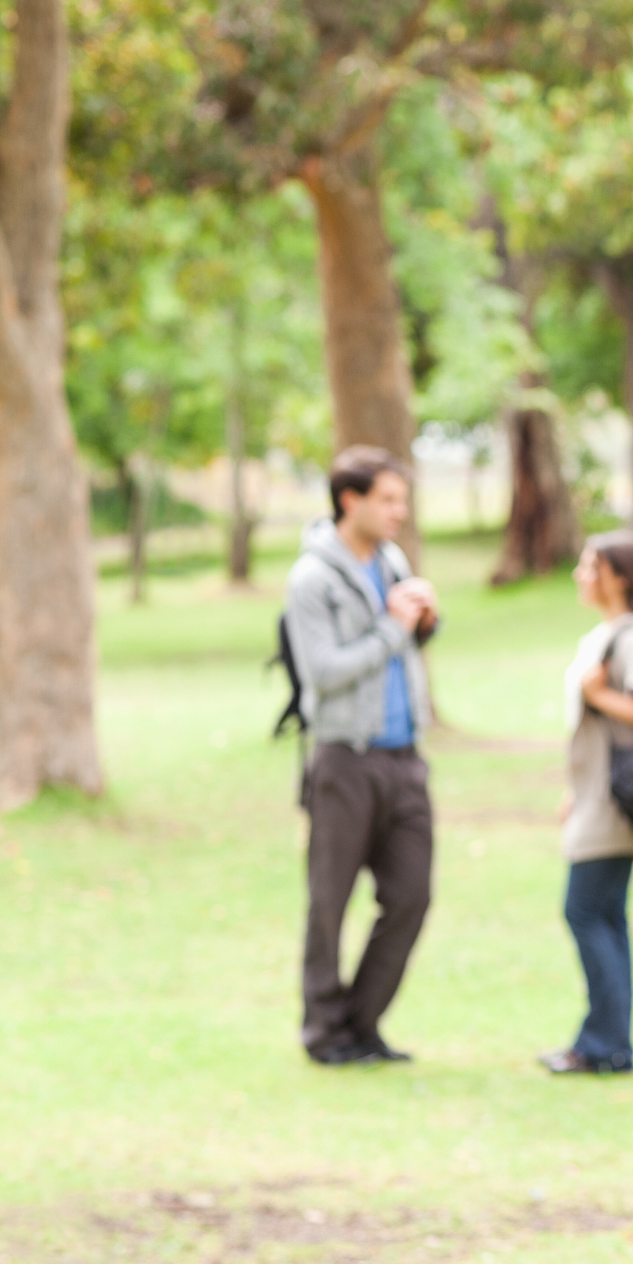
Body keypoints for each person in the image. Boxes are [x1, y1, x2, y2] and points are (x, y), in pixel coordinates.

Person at [284, 446, 440, 1065]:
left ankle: (362, 1021)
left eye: (403, 500)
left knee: (411, 895)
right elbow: (323, 672)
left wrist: (423, 619)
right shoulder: (311, 579)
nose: (400, 512)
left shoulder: (391, 560)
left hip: (405, 757)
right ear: (351, 500)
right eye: (389, 500)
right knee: (330, 902)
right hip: (345, 759)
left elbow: (405, 644)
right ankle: (324, 1034)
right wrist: (393, 629)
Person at [539, 532, 633, 1076]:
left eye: (588, 566)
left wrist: (600, 696)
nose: (578, 574)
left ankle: (604, 1044)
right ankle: (608, 1041)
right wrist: (575, 790)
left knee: (584, 911)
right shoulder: (609, 634)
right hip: (597, 797)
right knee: (604, 916)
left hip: (618, 803)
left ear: (617, 577)